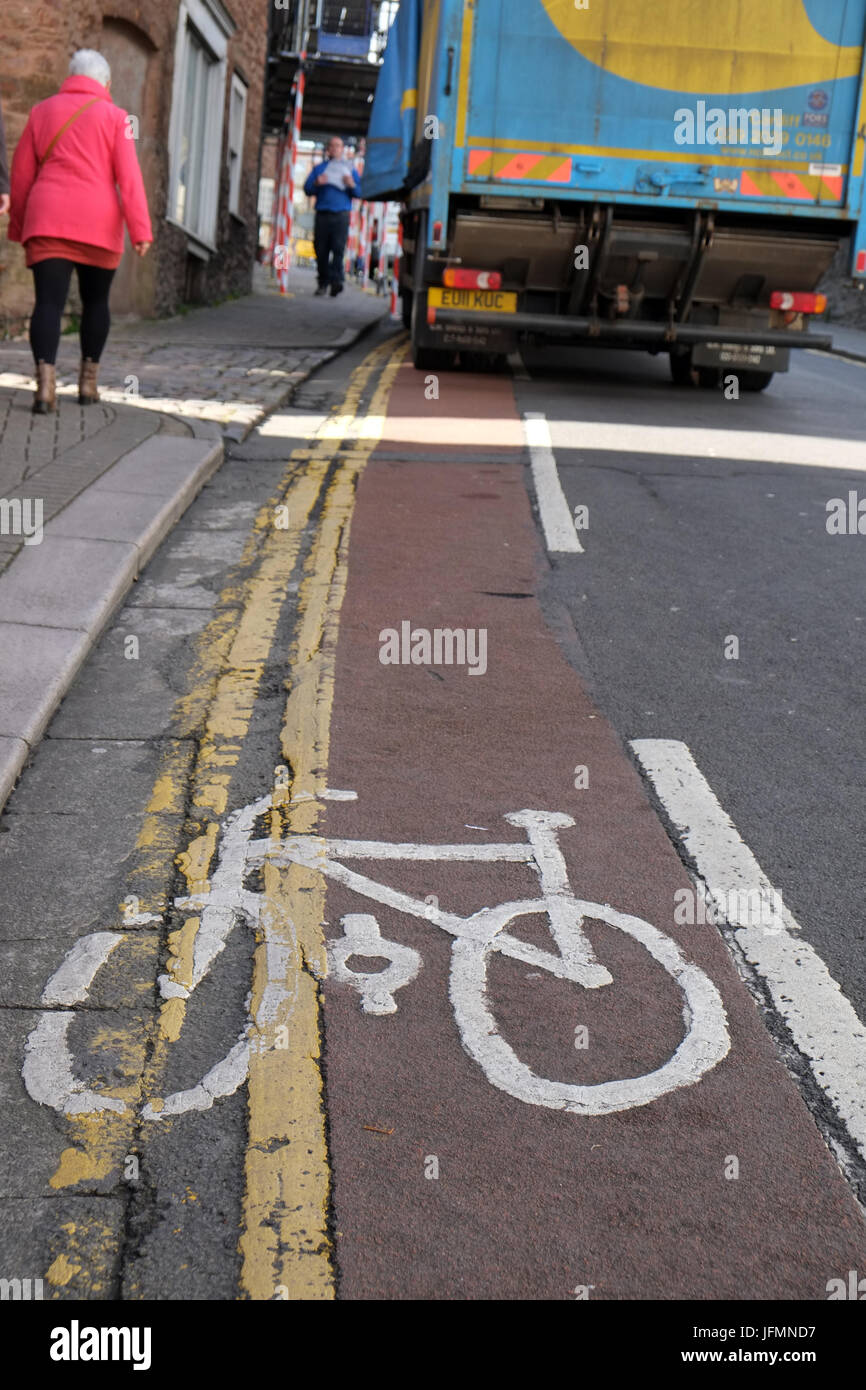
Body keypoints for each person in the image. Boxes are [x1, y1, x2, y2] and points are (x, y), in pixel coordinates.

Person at [8, 50, 152, 414]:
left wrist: (21, 225)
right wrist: (140, 229)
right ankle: (88, 385)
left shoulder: (41, 112)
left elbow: (22, 175)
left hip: (48, 219)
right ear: (105, 83)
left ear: (71, 76)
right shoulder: (119, 118)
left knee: (48, 304)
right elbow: (129, 177)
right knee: (97, 303)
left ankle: (45, 388)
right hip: (98, 224)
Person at [303, 137, 361, 297]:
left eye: (338, 146)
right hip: (323, 215)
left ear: (343, 149)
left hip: (341, 215)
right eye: (332, 146)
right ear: (328, 149)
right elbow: (307, 189)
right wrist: (316, 183)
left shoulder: (350, 170)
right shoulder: (320, 169)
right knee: (320, 250)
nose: (335, 149)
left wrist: (352, 185)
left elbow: (360, 192)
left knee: (338, 250)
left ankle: (336, 282)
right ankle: (323, 282)